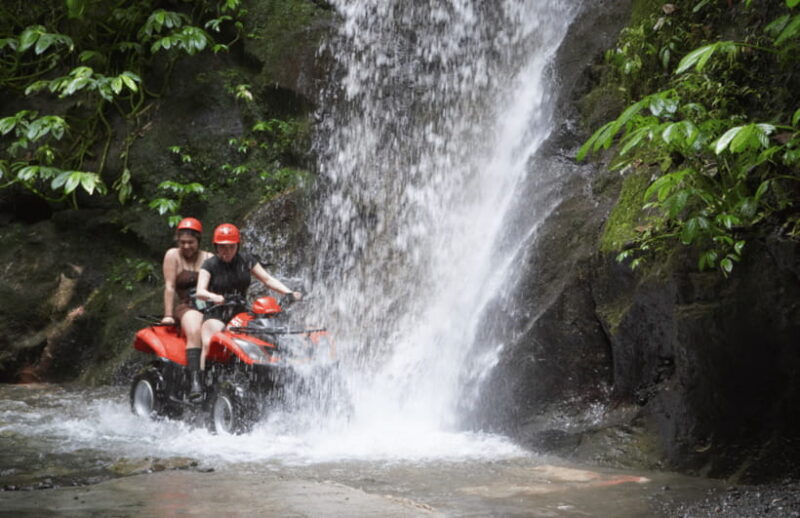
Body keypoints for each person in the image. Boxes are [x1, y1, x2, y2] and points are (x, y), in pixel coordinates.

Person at [196, 223, 301, 385]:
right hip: (217, 312)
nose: (227, 251)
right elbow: (200, 291)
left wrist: (289, 293)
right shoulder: (209, 265)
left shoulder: (246, 259)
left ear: (237, 245)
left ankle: (265, 376)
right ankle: (199, 384)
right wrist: (215, 297)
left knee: (265, 336)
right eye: (222, 247)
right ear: (216, 247)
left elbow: (267, 279)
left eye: (231, 247)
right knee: (209, 342)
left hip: (242, 312)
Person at [160, 217, 213, 400]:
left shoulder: (209, 258)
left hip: (209, 305)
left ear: (198, 241)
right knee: (195, 329)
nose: (186, 246)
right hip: (186, 305)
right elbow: (169, 286)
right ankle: (195, 382)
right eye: (182, 242)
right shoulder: (172, 255)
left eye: (190, 242)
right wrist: (168, 314)